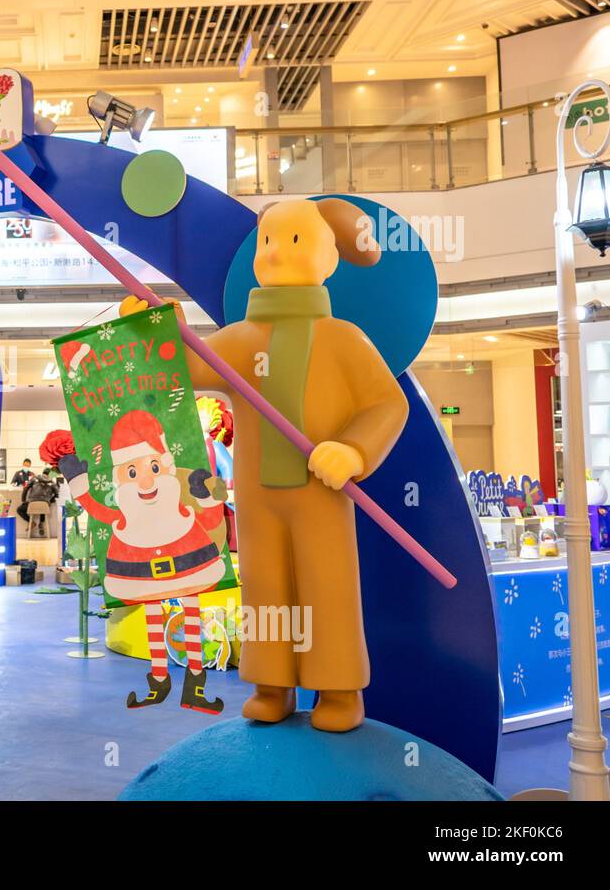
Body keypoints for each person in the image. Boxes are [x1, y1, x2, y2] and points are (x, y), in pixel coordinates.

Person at [120, 197, 408, 732]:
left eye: (294, 241)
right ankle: (272, 684)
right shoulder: (239, 339)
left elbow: (387, 405)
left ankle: (339, 690)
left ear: (327, 257)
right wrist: (158, 329)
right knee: (264, 587)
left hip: (320, 494)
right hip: (257, 497)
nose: (275, 254)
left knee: (329, 586)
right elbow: (185, 367)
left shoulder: (343, 339)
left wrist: (353, 449)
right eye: (267, 242)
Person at [61, 410, 228, 713]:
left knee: (191, 612)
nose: (146, 481)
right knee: (153, 615)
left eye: (153, 467)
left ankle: (194, 685)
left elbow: (213, 516)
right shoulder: (129, 515)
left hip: (190, 564)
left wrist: (209, 494)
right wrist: (80, 488)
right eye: (133, 473)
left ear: (164, 466)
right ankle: (159, 681)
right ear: (120, 478)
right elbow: (101, 512)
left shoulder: (180, 509)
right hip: (139, 569)